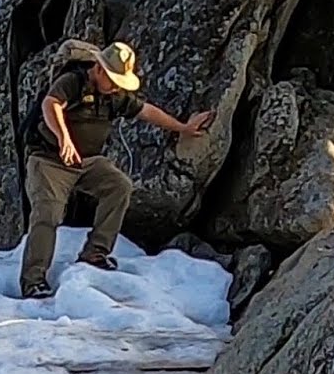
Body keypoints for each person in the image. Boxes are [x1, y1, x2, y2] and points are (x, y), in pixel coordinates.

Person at [20, 41, 215, 299]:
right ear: (99, 69)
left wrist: (183, 128)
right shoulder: (73, 81)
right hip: (49, 160)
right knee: (48, 213)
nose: (115, 86)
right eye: (113, 80)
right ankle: (33, 281)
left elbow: (146, 111)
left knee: (119, 186)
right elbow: (51, 104)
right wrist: (64, 137)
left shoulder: (113, 96)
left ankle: (95, 253)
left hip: (87, 161)